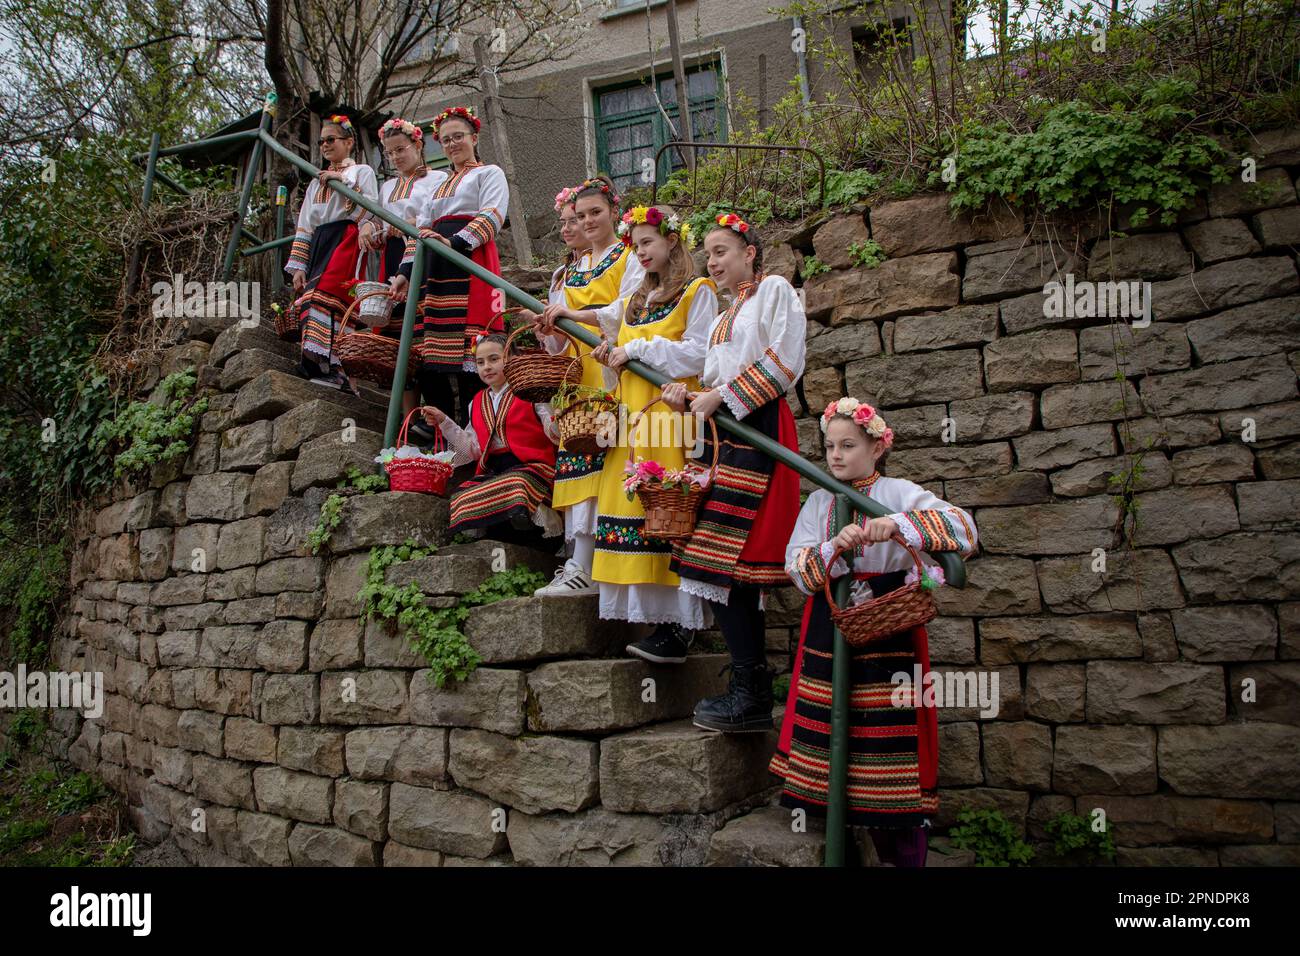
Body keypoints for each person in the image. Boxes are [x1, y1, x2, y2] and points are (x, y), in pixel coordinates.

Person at [773, 397, 978, 867]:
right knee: (832, 730)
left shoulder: (900, 491)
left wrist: (901, 525)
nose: (837, 455)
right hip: (830, 625)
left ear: (877, 447)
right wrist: (832, 548)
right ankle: (839, 839)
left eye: (849, 444)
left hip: (890, 629)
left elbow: (964, 530)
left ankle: (902, 853)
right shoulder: (820, 501)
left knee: (888, 740)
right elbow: (798, 570)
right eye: (829, 446)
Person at [538, 204, 716, 642]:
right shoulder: (638, 300)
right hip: (632, 418)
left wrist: (636, 353)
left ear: (672, 240)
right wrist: (612, 359)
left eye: (647, 243)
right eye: (635, 247)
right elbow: (617, 344)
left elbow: (698, 352)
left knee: (666, 507)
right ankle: (650, 625)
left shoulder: (698, 289)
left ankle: (680, 628)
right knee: (633, 507)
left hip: (670, 415)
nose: (639, 253)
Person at [660, 213, 805, 732]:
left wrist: (722, 396)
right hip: (723, 433)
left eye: (721, 251)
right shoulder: (724, 314)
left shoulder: (774, 291)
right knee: (714, 559)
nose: (712, 262)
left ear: (750, 251)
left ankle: (751, 694)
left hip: (758, 426)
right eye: (708, 254)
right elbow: (714, 380)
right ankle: (750, 690)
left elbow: (785, 359)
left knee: (732, 557)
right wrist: (689, 397)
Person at [529, 176, 646, 597]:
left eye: (596, 212)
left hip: (612, 374)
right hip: (580, 379)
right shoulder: (571, 270)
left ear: (614, 211)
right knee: (579, 467)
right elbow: (560, 343)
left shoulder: (628, 256)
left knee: (607, 470)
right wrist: (549, 329)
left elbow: (629, 308)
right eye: (581, 215)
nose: (588, 220)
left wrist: (574, 317)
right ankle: (578, 562)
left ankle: (594, 566)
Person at [391, 105, 509, 424]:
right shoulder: (437, 187)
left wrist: (455, 243)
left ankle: (477, 432)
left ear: (474, 137)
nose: (452, 144)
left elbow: (492, 215)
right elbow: (422, 229)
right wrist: (405, 272)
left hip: (471, 261)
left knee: (473, 354)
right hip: (434, 268)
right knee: (430, 359)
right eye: (445, 140)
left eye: (458, 136)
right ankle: (445, 434)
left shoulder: (490, 173)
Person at [422, 333, 562, 545]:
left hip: (533, 467)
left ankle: (526, 525)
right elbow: (473, 450)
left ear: (512, 359)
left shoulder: (531, 392)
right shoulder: (476, 402)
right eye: (480, 362)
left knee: (517, 483)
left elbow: (554, 435)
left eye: (494, 359)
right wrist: (444, 422)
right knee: (462, 493)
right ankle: (502, 526)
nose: (486, 367)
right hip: (494, 470)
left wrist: (557, 417)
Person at [359, 116, 446, 432]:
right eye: (390, 152)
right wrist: (371, 228)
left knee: (423, 339)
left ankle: (434, 418)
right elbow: (380, 227)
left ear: (418, 145)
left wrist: (403, 237)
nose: (395, 157)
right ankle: (409, 418)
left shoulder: (438, 179)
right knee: (399, 342)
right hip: (392, 259)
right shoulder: (387, 187)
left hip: (422, 260)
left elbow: (428, 222)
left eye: (401, 150)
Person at [284, 113, 379, 393]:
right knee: (310, 297)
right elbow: (305, 225)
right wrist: (299, 265)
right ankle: (316, 362)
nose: (324, 145)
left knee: (327, 298)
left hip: (345, 239)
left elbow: (370, 207)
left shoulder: (361, 172)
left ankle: (331, 365)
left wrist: (342, 180)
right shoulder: (315, 183)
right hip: (320, 243)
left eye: (331, 139)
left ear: (349, 142)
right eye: (321, 141)